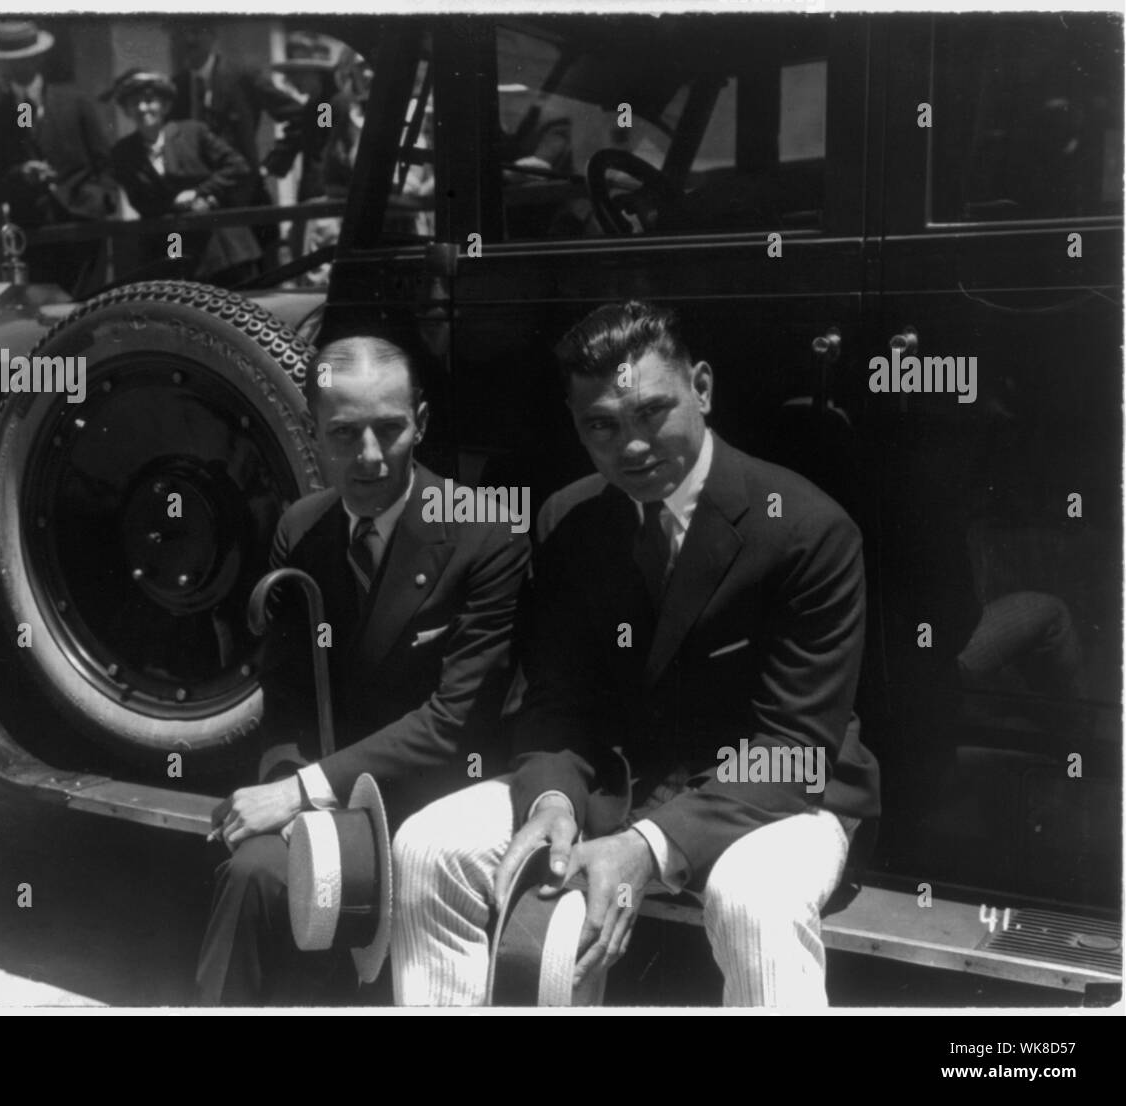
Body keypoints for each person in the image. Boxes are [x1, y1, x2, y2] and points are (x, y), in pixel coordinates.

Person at [391, 301, 881, 1007]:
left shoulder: (807, 528)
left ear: (703, 389)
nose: (632, 447)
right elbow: (557, 700)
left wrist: (647, 845)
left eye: (653, 411)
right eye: (602, 426)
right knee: (428, 847)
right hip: (620, 782)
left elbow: (795, 746)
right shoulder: (571, 519)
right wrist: (553, 801)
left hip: (777, 796)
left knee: (752, 902)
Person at [195, 336, 531, 1005]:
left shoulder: (485, 530)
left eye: (390, 429)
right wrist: (288, 792)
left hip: (436, 805)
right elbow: (285, 693)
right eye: (345, 434)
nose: (370, 458)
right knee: (253, 872)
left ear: (423, 424)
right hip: (328, 804)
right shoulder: (302, 525)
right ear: (313, 435)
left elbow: (453, 722)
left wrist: (303, 793)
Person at [0, 20, 119, 294]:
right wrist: (20, 175)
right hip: (33, 235)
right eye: (13, 60)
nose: (22, 66)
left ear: (40, 57)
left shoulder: (76, 102)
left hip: (83, 227)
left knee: (88, 312)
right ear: (4, 63)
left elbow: (104, 162)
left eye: (27, 58)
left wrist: (102, 201)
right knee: (47, 322)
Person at [166, 22, 304, 267]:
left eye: (196, 30)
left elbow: (303, 116)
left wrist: (272, 164)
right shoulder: (174, 89)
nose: (188, 40)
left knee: (263, 286)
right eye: (180, 32)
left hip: (245, 201)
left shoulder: (242, 76)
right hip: (201, 210)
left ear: (213, 34)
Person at [106, 69, 262, 284]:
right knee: (186, 303)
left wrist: (201, 192)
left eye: (150, 101)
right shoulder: (124, 153)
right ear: (126, 111)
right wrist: (178, 205)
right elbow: (140, 202)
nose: (143, 108)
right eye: (135, 103)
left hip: (221, 243)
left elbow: (237, 166)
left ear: (165, 106)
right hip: (176, 244)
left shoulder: (193, 132)